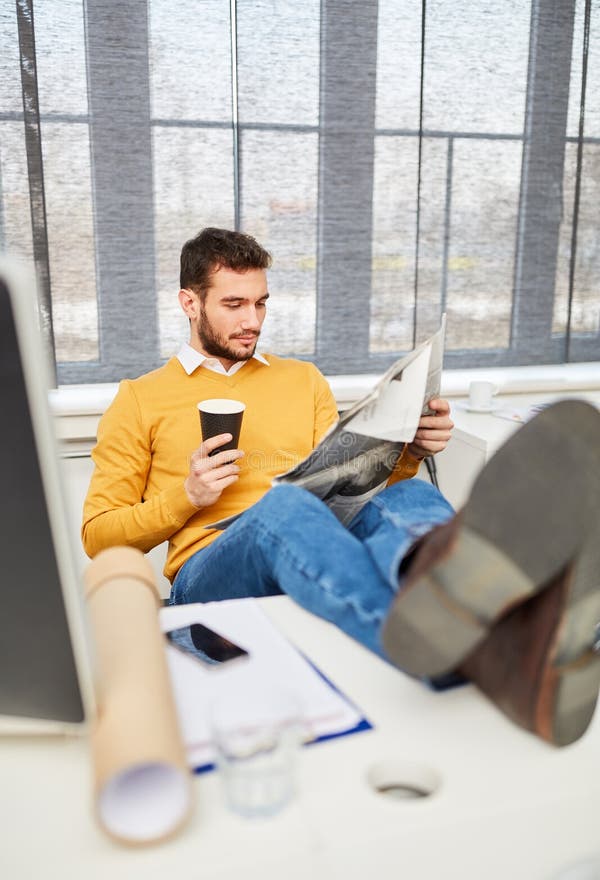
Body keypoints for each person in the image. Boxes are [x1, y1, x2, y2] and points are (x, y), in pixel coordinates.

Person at [83, 227, 600, 748]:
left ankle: (459, 587)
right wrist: (185, 496)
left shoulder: (303, 379)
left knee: (406, 494)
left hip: (315, 539)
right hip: (211, 571)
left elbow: (352, 484)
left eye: (261, 303)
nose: (252, 321)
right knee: (284, 509)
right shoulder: (139, 399)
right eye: (234, 304)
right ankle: (495, 651)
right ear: (189, 303)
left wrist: (412, 451)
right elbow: (99, 538)